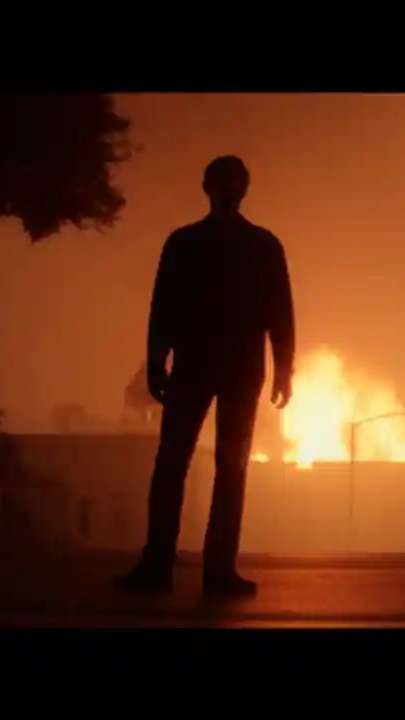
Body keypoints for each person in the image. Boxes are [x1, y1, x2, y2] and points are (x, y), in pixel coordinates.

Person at [116, 155, 295, 597]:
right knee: (179, 463)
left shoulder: (233, 245)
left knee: (216, 467)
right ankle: (167, 565)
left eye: (234, 182)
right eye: (225, 182)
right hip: (207, 366)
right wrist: (156, 362)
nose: (230, 189)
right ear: (211, 187)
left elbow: (280, 312)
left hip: (227, 368)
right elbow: (164, 306)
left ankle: (204, 569)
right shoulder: (203, 244)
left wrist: (285, 368)